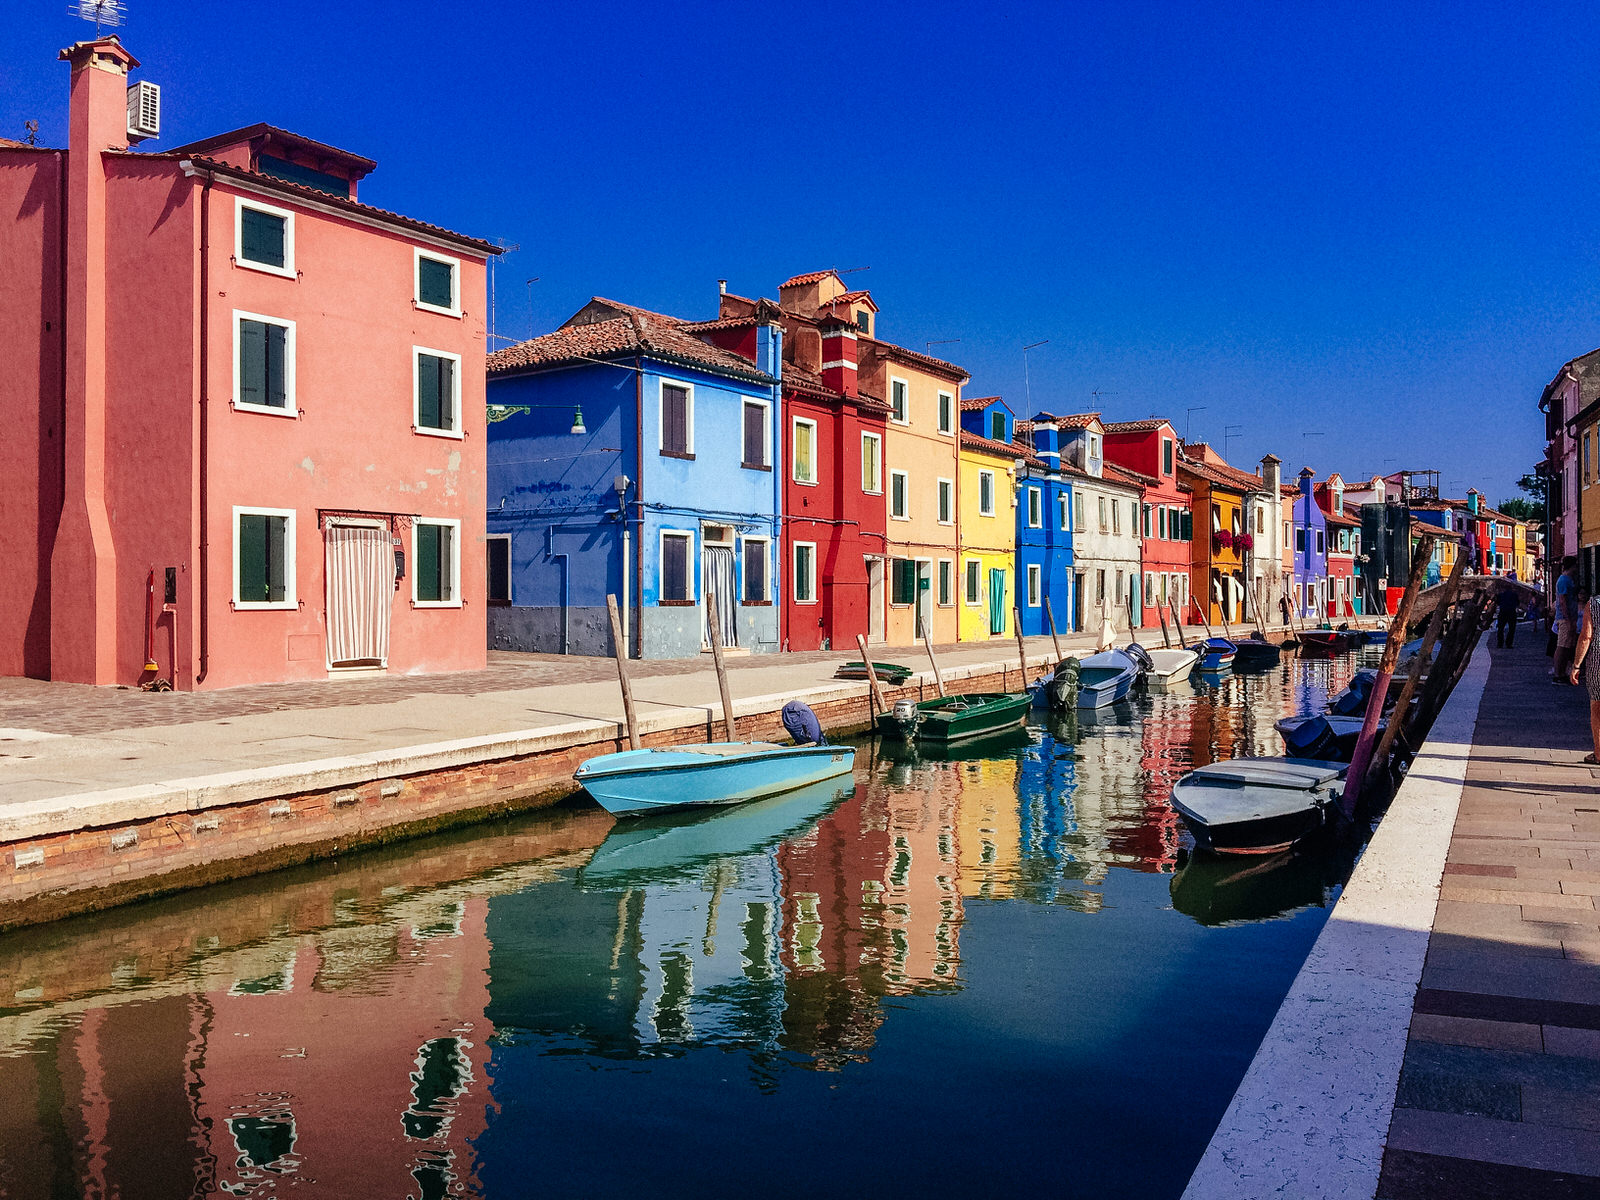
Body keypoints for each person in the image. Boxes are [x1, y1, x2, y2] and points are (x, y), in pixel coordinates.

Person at [1568, 590, 1600, 764]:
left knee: (1597, 706)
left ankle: (1599, 753)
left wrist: (1576, 665)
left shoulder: (1594, 604)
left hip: (1598, 661)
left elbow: (1586, 637)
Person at [1554, 557, 1579, 683]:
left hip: (1568, 617)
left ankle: (1562, 672)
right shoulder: (1564, 580)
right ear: (1572, 566)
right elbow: (1563, 601)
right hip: (1564, 619)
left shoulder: (1568, 579)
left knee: (1567, 646)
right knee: (1562, 646)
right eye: (1576, 565)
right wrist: (1568, 620)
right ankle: (1558, 674)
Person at [1494, 581, 1519, 649]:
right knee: (1511, 629)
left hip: (1503, 612)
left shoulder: (1501, 595)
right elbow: (1517, 603)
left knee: (1500, 628)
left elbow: (1498, 603)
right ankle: (1509, 643)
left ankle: (1500, 643)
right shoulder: (1514, 595)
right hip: (1511, 612)